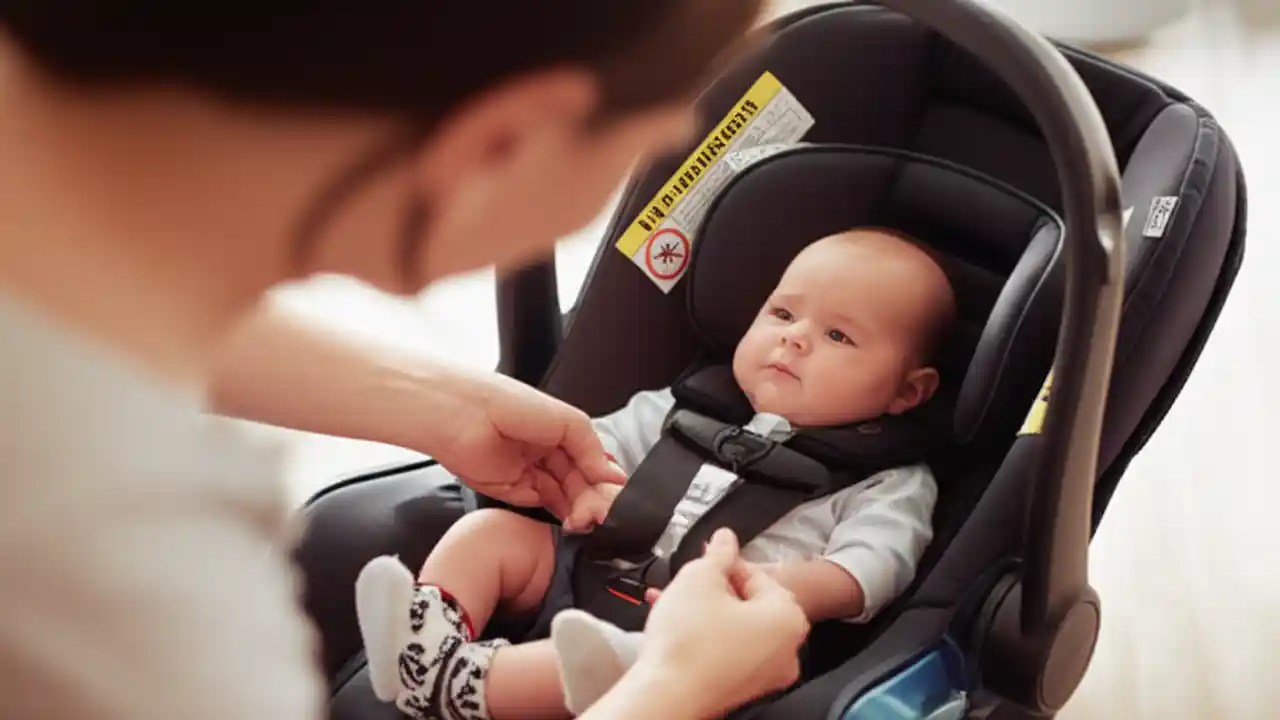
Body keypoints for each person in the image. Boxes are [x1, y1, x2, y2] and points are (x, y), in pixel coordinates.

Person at [0, 2, 812, 719]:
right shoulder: (103, 578)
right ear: (503, 145)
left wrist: (435, 401)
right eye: (647, 141)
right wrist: (672, 690)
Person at [354, 229, 959, 719]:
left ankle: (462, 685)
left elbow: (869, 569)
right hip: (587, 561)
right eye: (782, 313)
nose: (794, 338)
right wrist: (588, 492)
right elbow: (594, 450)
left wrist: (778, 584)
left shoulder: (888, 480)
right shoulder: (685, 409)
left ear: (909, 391)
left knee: (648, 660)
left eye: (837, 334)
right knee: (488, 536)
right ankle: (425, 636)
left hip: (714, 628)